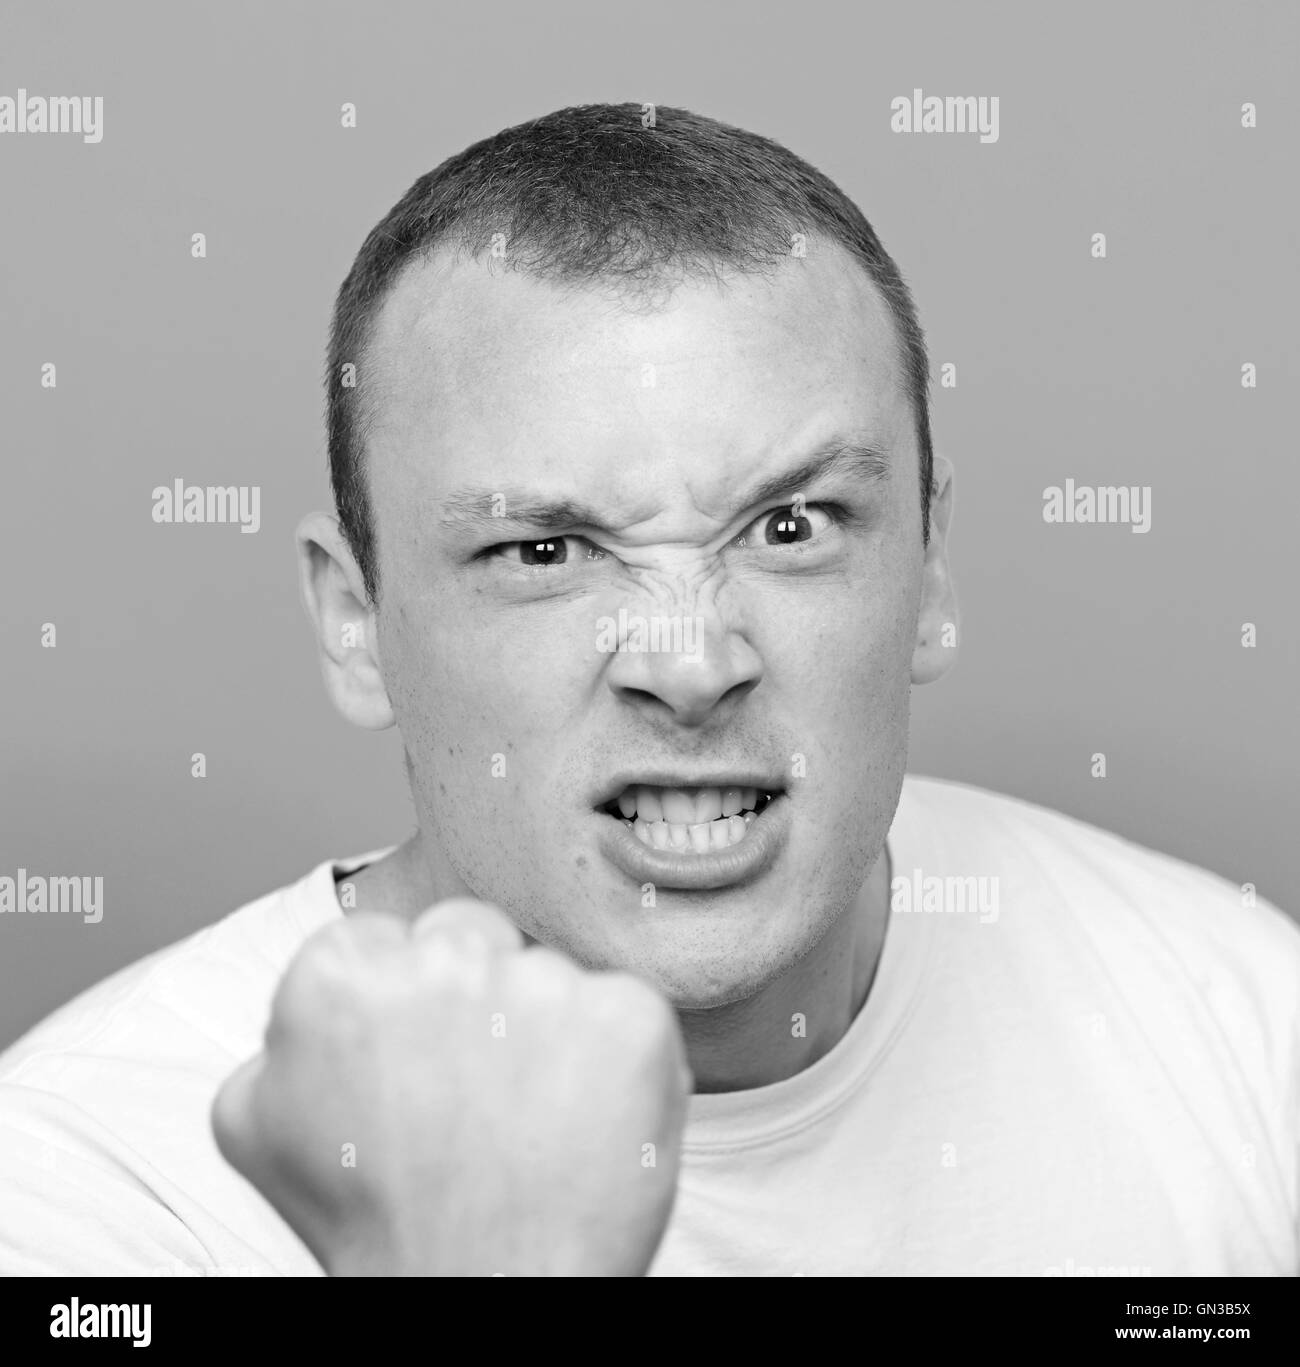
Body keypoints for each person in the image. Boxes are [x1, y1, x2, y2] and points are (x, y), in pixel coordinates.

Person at [1, 103, 1296, 1277]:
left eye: (791, 527)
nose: (690, 664)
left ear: (932, 570)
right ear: (357, 627)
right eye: (545, 552)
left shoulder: (1244, 1034)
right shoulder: (91, 1196)